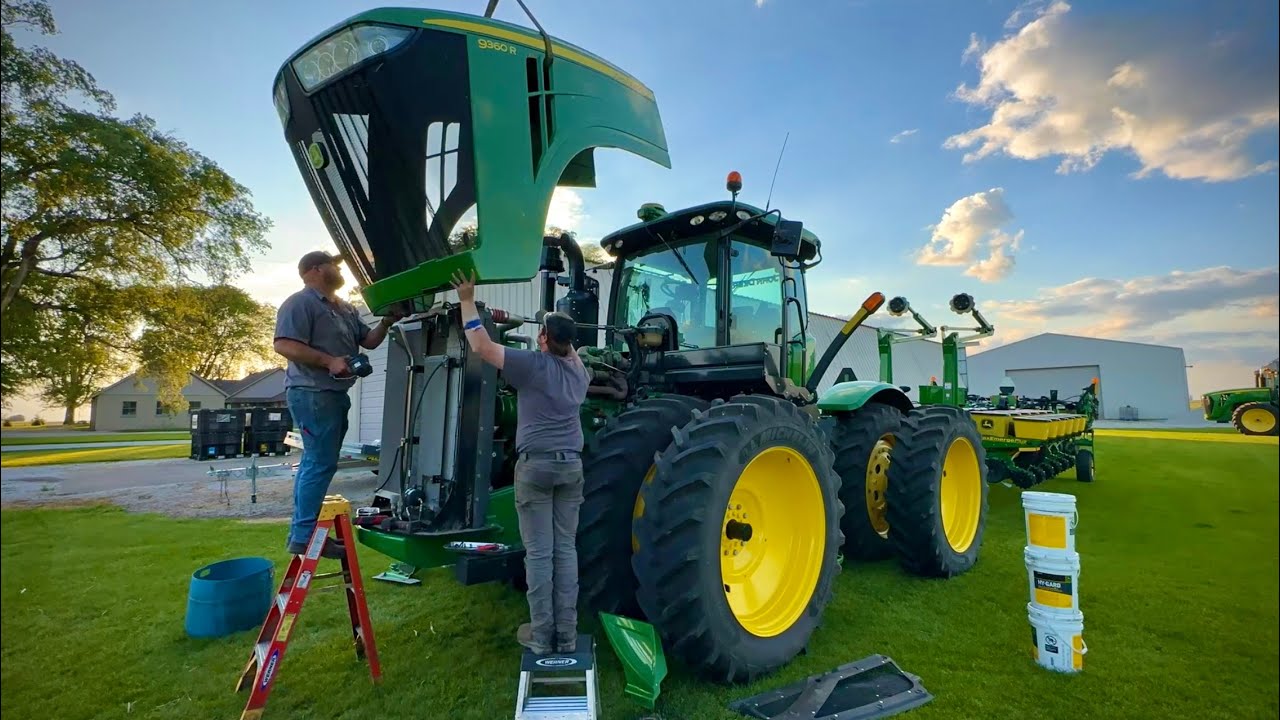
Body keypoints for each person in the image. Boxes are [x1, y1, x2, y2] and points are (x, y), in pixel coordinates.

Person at [451, 269, 590, 655]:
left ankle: (542, 636)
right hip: (571, 469)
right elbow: (568, 346)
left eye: (543, 332)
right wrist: (556, 328)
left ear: (543, 339)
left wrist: (466, 300)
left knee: (540, 554)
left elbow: (480, 345)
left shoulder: (531, 365)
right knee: (566, 551)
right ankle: (567, 634)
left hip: (536, 469)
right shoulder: (580, 373)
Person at [273, 250, 400, 558]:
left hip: (333, 395)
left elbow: (368, 340)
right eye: (333, 264)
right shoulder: (299, 303)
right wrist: (328, 360)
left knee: (314, 463)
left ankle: (301, 533)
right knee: (319, 464)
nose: (338, 269)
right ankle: (303, 536)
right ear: (313, 270)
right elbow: (283, 344)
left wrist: (387, 321)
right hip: (312, 393)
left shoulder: (344, 308)